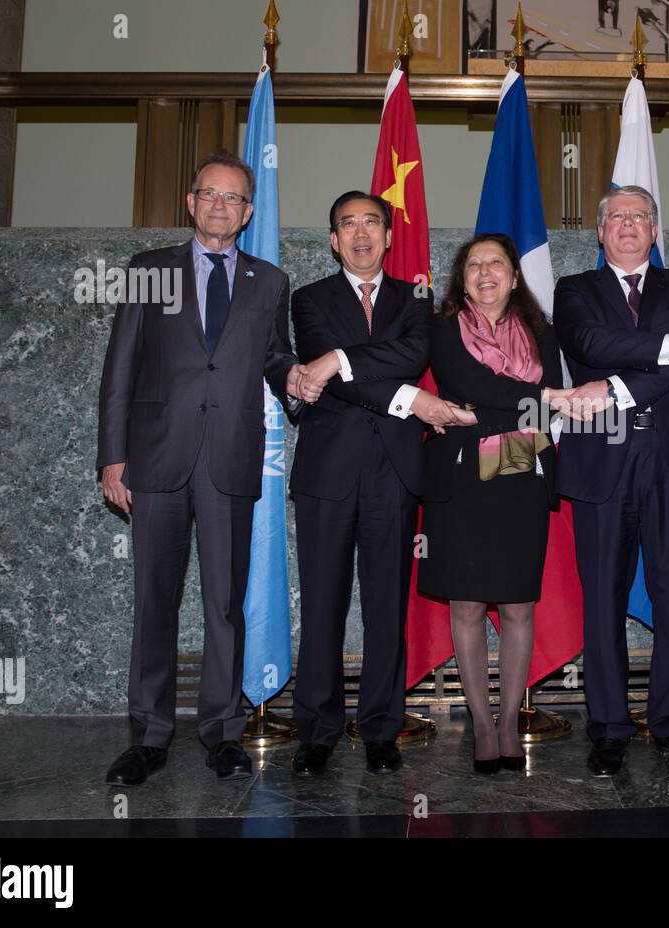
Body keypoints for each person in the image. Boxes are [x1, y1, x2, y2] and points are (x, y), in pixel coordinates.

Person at [97, 150, 310, 785]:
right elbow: (119, 372)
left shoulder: (269, 282)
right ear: (191, 203)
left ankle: (222, 733)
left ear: (247, 213)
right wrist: (113, 457)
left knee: (224, 604)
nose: (221, 206)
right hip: (155, 462)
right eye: (209, 195)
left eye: (234, 199)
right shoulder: (148, 270)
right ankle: (150, 737)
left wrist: (296, 381)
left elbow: (275, 359)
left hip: (229, 461)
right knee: (154, 602)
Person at [285, 191, 463, 777]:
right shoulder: (308, 298)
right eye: (346, 225)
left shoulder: (416, 296)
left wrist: (338, 360)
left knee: (386, 607)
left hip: (394, 473)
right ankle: (317, 731)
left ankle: (382, 729)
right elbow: (324, 372)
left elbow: (412, 353)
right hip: (326, 475)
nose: (360, 234)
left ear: (389, 237)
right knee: (323, 608)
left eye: (371, 223)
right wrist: (350, 369)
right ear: (333, 240)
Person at [553, 185, 669, 777]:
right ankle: (609, 728)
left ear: (655, 229)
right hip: (602, 462)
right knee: (602, 599)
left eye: (640, 216)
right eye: (617, 217)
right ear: (600, 232)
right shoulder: (574, 290)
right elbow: (591, 344)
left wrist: (619, 386)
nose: (628, 224)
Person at [418, 233, 582, 774]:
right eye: (473, 265)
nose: (484, 273)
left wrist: (488, 415)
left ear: (515, 276)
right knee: (465, 605)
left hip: (519, 478)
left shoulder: (541, 330)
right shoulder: (442, 328)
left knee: (516, 606)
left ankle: (509, 720)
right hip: (462, 484)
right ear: (461, 278)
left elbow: (530, 402)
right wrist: (526, 404)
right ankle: (481, 724)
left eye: (496, 264)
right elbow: (465, 381)